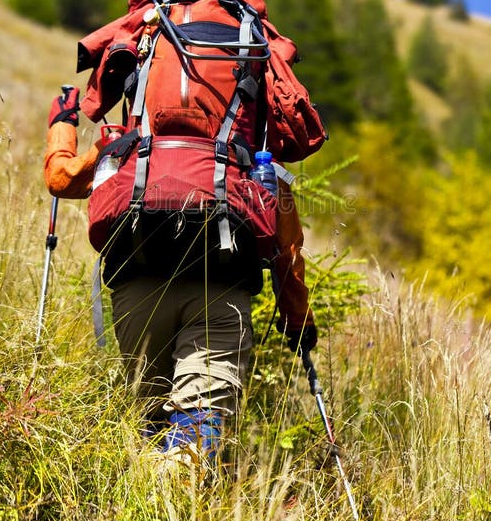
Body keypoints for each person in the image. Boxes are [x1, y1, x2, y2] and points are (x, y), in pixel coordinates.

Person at [44, 86, 317, 464]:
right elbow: (287, 247)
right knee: (196, 431)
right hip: (222, 288)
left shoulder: (127, 143)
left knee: (150, 422)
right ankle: (176, 489)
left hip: (138, 283)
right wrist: (298, 321)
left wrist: (62, 123)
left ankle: (149, 494)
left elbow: (61, 179)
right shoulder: (251, 155)